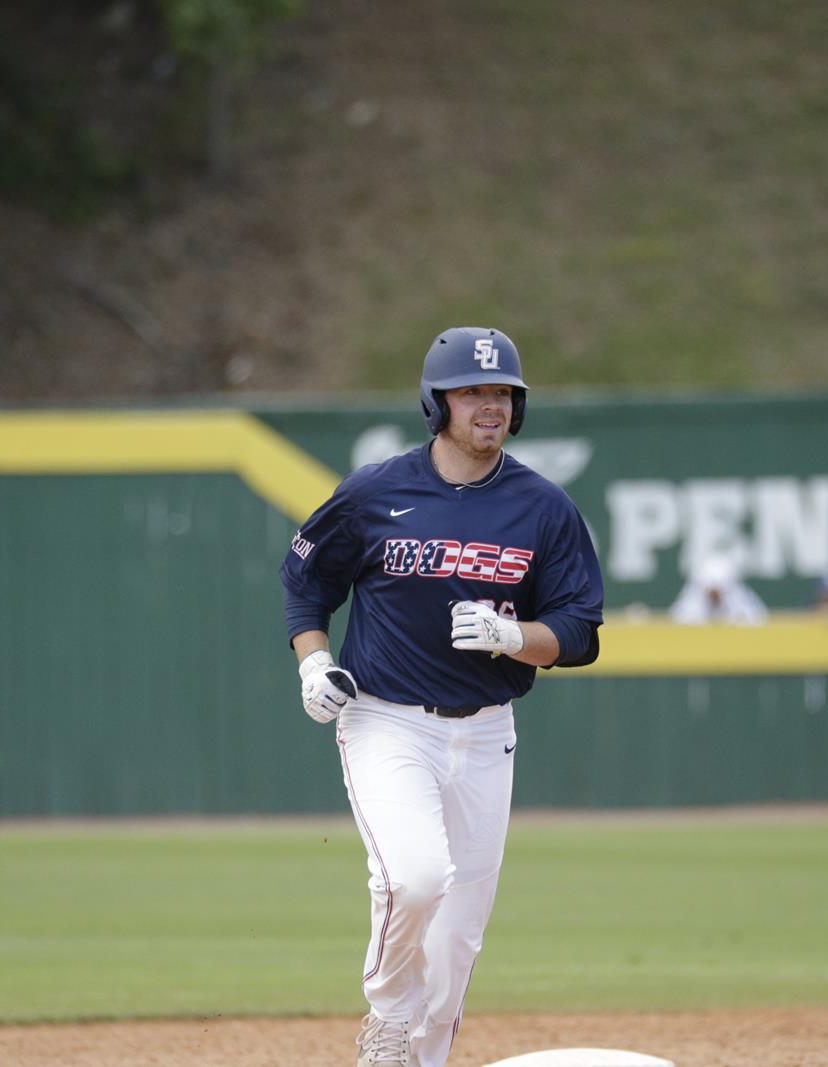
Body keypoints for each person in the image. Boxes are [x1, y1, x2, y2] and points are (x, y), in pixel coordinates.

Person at [279, 328, 604, 1067]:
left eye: (502, 393)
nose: (489, 404)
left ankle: (420, 1059)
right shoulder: (375, 492)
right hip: (386, 719)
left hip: (487, 732)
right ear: (437, 402)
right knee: (416, 875)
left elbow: (581, 630)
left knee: (457, 939)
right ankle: (389, 1020)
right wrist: (313, 662)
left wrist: (514, 633)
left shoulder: (543, 507)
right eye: (472, 391)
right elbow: (306, 579)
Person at [668, 553, 767, 625]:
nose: (714, 592)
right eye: (711, 588)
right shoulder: (693, 598)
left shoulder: (737, 596)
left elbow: (758, 617)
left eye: (719, 588)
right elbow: (677, 619)